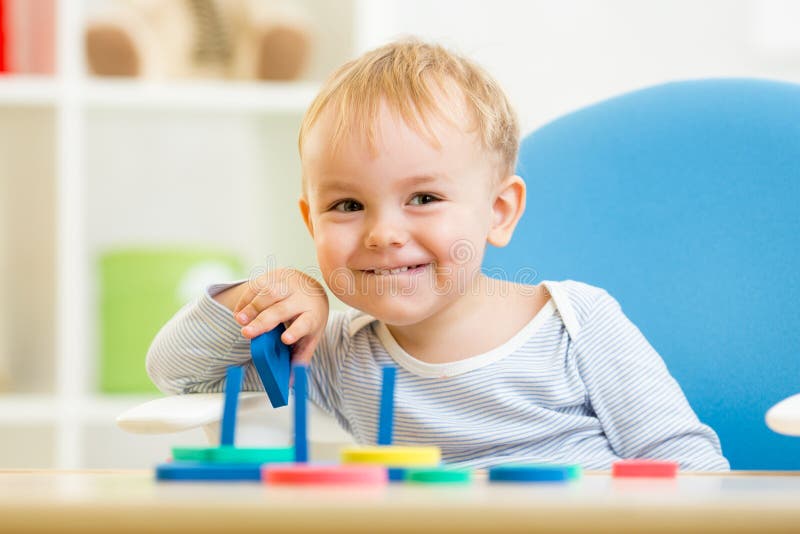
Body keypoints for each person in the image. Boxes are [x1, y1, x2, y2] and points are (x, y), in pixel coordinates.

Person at [146, 39, 729, 470]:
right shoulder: (335, 355)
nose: (382, 233)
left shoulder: (577, 326)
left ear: (499, 212)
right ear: (309, 221)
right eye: (346, 205)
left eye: (423, 198)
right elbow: (178, 374)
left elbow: (690, 468)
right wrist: (264, 296)